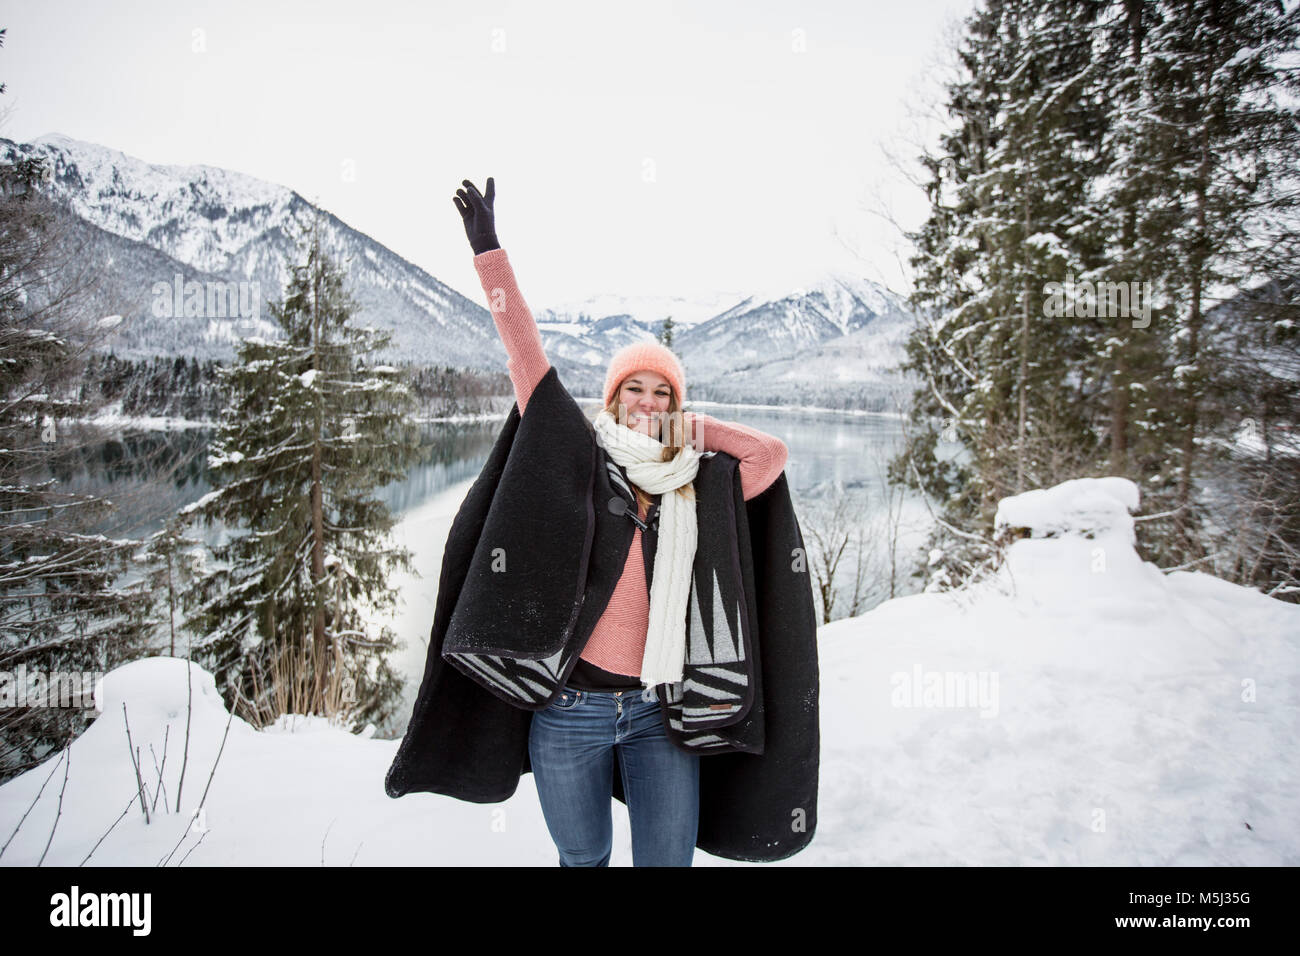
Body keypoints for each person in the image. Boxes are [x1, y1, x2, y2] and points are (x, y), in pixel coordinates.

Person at [453, 177, 790, 867]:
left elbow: (769, 456)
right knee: (584, 860)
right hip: (569, 712)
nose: (645, 400)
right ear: (611, 395)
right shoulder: (576, 456)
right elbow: (526, 359)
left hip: (658, 713)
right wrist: (490, 254)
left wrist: (687, 428)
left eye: (660, 391)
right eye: (633, 388)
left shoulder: (695, 479)